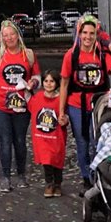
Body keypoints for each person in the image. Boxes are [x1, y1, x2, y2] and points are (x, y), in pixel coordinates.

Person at [59, 14, 111, 196]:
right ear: (79, 33)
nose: (88, 37)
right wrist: (61, 111)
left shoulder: (102, 55)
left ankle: (98, 176)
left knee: (97, 141)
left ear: (96, 35)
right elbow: (64, 84)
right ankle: (86, 178)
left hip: (98, 105)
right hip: (77, 104)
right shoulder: (72, 55)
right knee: (82, 142)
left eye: (91, 33)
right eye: (84, 33)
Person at [0, 19, 40, 192]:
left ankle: (21, 175)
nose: (9, 38)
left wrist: (33, 84)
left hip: (22, 105)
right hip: (0, 104)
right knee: (5, 141)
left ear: (17, 35)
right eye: (5, 35)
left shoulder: (28, 54)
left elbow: (36, 76)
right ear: (2, 38)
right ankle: (5, 177)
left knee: (20, 141)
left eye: (11, 34)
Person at [29, 69, 67, 198]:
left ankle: (58, 183)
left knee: (57, 159)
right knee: (46, 159)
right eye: (46, 81)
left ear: (57, 83)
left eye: (52, 81)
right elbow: (28, 102)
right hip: (42, 137)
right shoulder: (37, 97)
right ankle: (49, 183)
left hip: (56, 136)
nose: (48, 84)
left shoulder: (61, 99)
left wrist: (65, 120)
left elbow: (65, 116)